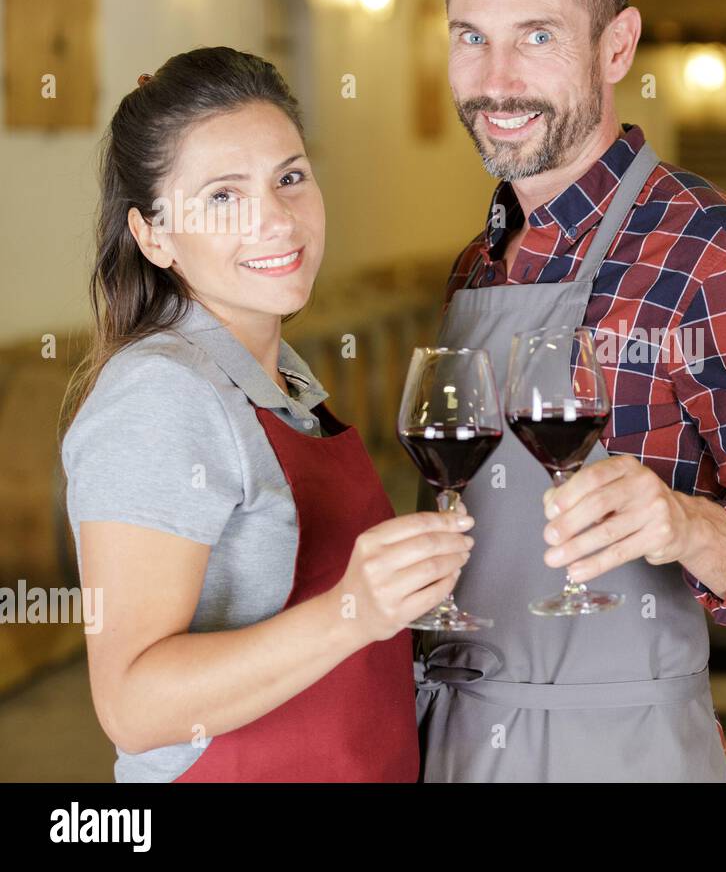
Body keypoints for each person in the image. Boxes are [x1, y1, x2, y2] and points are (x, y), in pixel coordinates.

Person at [415, 0, 726, 782]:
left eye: (537, 36)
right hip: (451, 736)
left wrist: (685, 523)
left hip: (616, 750)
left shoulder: (713, 252)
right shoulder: (477, 263)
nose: (497, 80)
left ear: (617, 45)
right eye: (472, 37)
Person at [60, 47, 474, 782]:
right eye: (223, 196)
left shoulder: (280, 376)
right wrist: (353, 611)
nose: (277, 220)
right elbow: (131, 704)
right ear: (153, 236)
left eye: (290, 177)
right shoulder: (160, 394)